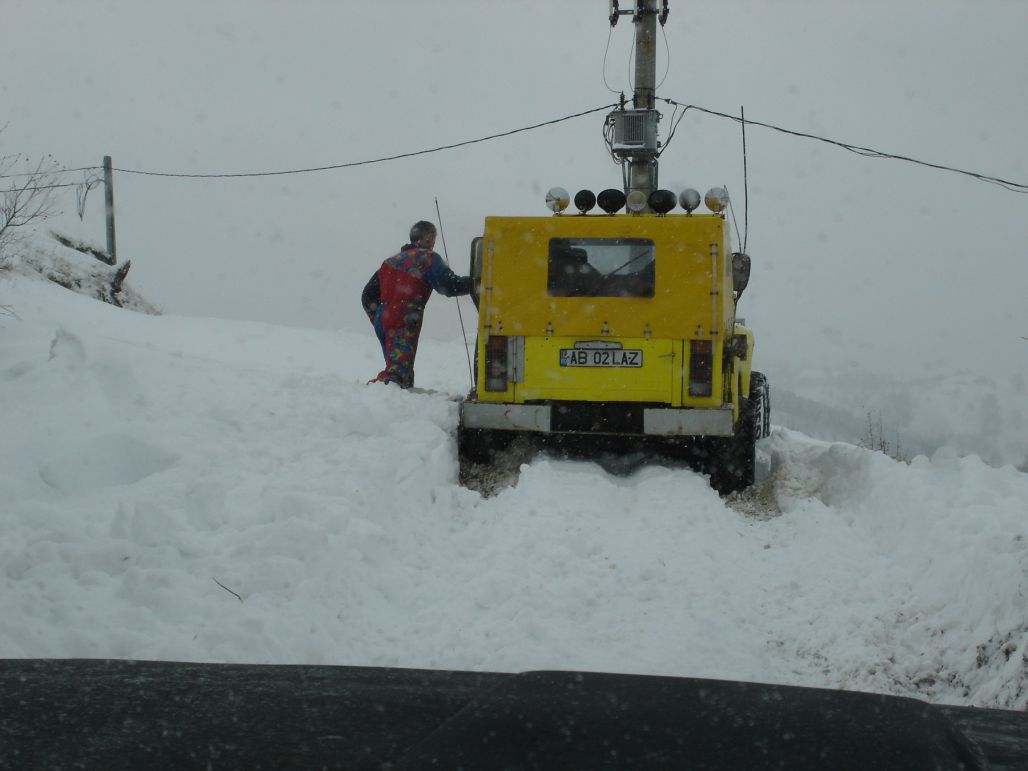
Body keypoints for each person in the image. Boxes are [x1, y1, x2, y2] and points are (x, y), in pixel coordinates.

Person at [363, 221, 472, 388]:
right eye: (434, 239)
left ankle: (400, 400)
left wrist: (380, 317)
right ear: (428, 239)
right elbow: (448, 285)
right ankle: (379, 399)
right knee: (396, 375)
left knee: (399, 368)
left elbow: (367, 295)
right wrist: (475, 283)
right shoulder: (427, 258)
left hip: (383, 317)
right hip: (404, 317)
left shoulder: (390, 262)